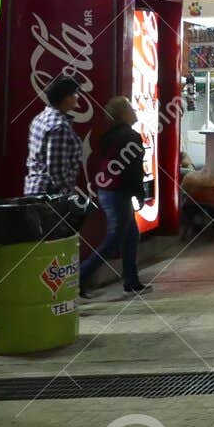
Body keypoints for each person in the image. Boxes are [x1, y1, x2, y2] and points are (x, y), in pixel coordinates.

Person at [82, 97, 150, 298]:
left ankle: (132, 281)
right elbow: (133, 171)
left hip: (109, 191)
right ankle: (78, 278)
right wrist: (140, 194)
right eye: (130, 108)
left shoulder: (110, 135)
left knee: (131, 236)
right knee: (113, 240)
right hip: (119, 193)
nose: (134, 111)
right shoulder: (130, 136)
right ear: (123, 113)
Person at [25, 75, 85, 195]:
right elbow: (56, 170)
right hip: (50, 194)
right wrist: (68, 191)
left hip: (34, 188)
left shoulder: (40, 118)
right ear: (65, 98)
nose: (77, 97)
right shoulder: (59, 126)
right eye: (74, 93)